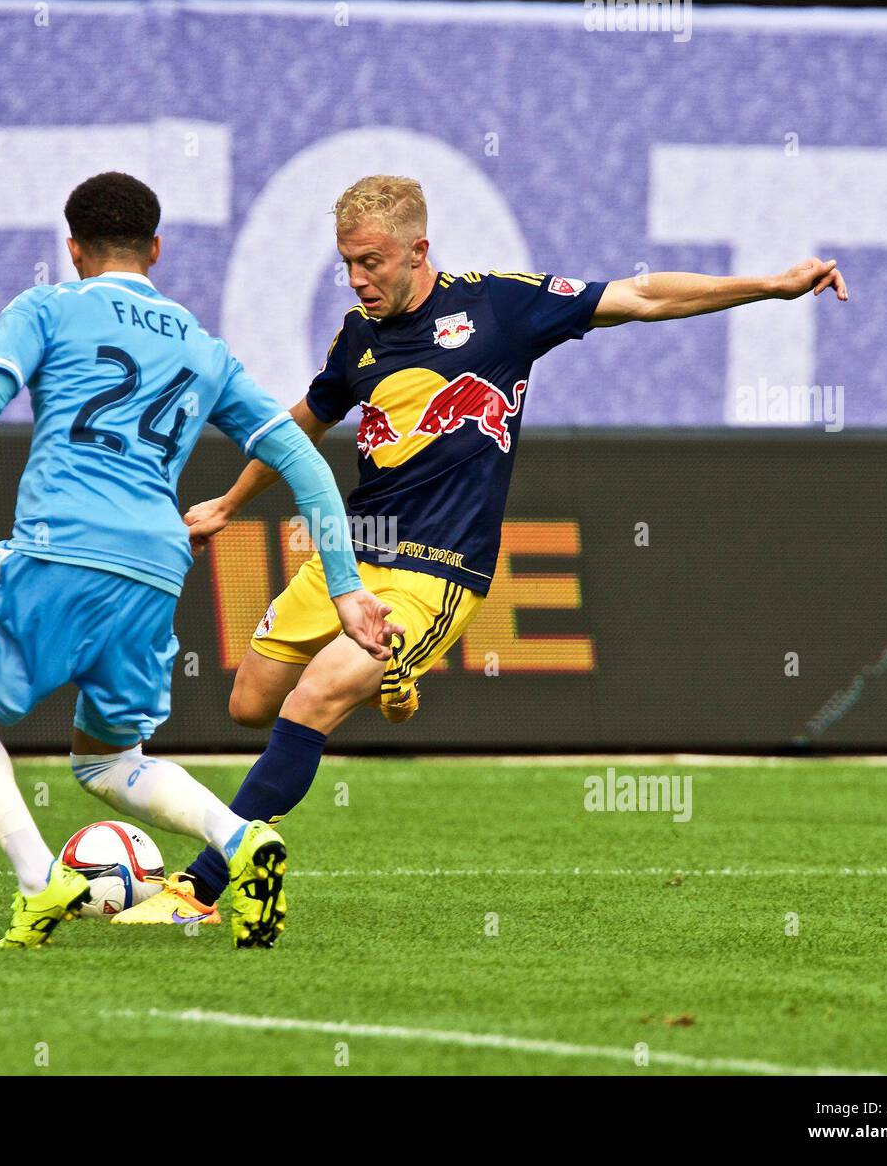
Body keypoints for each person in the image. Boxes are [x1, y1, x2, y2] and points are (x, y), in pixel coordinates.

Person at [130, 173, 849, 917]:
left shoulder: (499, 306)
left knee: (314, 698)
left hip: (436, 572)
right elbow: (303, 422)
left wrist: (770, 285)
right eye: (347, 262)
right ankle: (389, 680)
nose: (357, 278)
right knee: (251, 702)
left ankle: (201, 886)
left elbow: (640, 297)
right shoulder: (357, 336)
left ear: (419, 250)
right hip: (353, 559)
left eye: (372, 261)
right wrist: (227, 501)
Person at [0, 172, 398, 949]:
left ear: (72, 248)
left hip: (60, 544)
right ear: (156, 248)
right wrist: (347, 589)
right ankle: (240, 838)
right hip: (157, 561)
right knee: (109, 758)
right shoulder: (202, 345)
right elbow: (309, 465)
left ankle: (35, 877)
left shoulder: (47, 308)